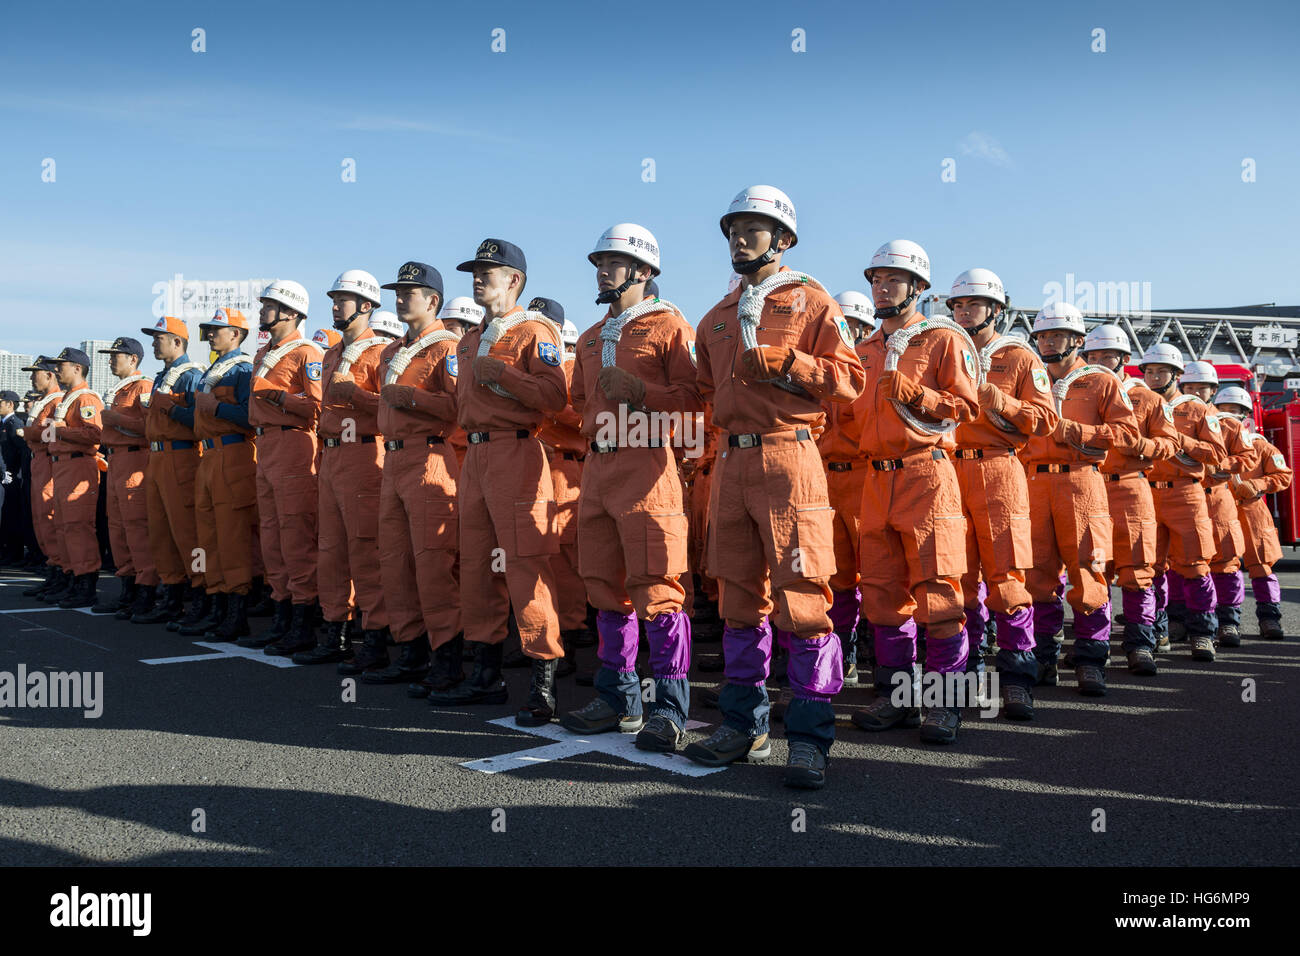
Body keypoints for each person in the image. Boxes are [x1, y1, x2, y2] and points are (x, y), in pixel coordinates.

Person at [687, 186, 864, 789]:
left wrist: (788, 362)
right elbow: (704, 391)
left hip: (790, 458)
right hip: (731, 465)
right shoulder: (714, 316)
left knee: (803, 598)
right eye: (734, 228)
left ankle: (811, 738)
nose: (739, 238)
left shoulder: (811, 300)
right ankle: (744, 725)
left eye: (753, 229)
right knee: (737, 599)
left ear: (783, 240)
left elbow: (850, 382)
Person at [560, 224, 701, 751]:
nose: (601, 270)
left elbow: (693, 404)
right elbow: (578, 401)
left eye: (612, 262)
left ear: (643, 272)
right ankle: (619, 698)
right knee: (604, 586)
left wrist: (643, 392)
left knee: (658, 586)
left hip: (646, 463)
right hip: (600, 466)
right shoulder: (594, 336)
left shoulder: (669, 325)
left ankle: (669, 706)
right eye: (599, 261)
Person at [428, 239, 568, 726]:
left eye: (489, 270)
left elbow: (554, 395)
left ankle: (544, 685)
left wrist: (504, 375)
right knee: (476, 568)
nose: (478, 277)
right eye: (475, 270)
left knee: (527, 566)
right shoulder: (468, 340)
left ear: (516, 280)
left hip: (515, 450)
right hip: (478, 456)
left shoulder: (534, 329)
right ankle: (485, 675)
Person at [849, 241, 979, 742]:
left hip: (927, 473)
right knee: (882, 593)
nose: (882, 287)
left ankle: (946, 702)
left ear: (919, 288)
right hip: (875, 479)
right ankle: (898, 697)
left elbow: (965, 409)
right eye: (876, 279)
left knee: (939, 589)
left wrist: (915, 393)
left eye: (893, 279)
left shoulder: (944, 339)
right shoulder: (863, 351)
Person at [947, 269, 1057, 719]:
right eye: (957, 305)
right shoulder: (944, 347)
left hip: (998, 468)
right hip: (948, 470)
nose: (963, 311)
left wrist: (999, 400)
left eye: (972, 304)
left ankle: (1016, 679)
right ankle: (965, 672)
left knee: (1008, 579)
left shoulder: (1019, 356)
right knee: (956, 580)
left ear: (996, 309)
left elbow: (1045, 420)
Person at [351, 262, 461, 685]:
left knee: (432, 565)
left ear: (433, 300)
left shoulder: (447, 347)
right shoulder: (391, 351)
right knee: (394, 562)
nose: (399, 298)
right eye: (397, 292)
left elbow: (457, 410)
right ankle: (411, 651)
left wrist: (412, 398)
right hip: (393, 459)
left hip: (429, 457)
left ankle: (447, 657)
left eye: (409, 292)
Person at [1021, 303, 1139, 696]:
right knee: (1036, 575)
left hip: (1081, 483)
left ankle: (1090, 659)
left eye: (1057, 335)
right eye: (1042, 336)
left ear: (1077, 340)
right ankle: (1042, 656)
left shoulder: (1101, 381)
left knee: (1088, 571)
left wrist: (1080, 433)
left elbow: (1128, 435)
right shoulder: (1028, 375)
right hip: (1033, 484)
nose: (1048, 342)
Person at [294, 271, 391, 668]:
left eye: (344, 300)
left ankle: (376, 639)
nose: (336, 305)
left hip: (363, 454)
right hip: (331, 455)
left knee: (364, 549)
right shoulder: (332, 354)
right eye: (334, 299)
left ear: (366, 306)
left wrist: (358, 396)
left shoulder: (382, 353)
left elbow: (390, 408)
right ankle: (336, 632)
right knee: (331, 550)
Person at [1081, 324, 1180, 676]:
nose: (1099, 362)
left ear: (1124, 359)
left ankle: (1141, 644)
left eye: (1107, 355)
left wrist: (1142, 447)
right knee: (1095, 570)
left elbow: (1171, 444)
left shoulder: (1148, 398)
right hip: (1089, 487)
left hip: (1131, 487)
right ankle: (1097, 647)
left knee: (1138, 570)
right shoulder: (1081, 392)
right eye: (1092, 356)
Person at [243, 280, 324, 655]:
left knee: (295, 536)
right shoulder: (266, 352)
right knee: (273, 536)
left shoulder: (308, 353)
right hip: (267, 443)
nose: (263, 311)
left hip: (293, 442)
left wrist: (275, 395)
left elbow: (316, 409)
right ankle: (282, 616)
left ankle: (302, 621)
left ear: (291, 313)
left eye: (270, 305)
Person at [1139, 345, 1228, 663]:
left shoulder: (1196, 408)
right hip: (1147, 492)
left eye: (1160, 371)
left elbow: (1217, 454)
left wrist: (1183, 441)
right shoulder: (1141, 403)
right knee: (1150, 568)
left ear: (1176, 374)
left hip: (1186, 493)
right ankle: (1157, 631)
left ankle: (1203, 634)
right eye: (1148, 371)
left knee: (1195, 566)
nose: (1153, 376)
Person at [182, 308, 257, 640]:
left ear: (236, 334)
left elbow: (249, 415)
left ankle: (235, 611)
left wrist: (218, 408)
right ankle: (214, 603)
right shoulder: (211, 370)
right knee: (206, 538)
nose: (211, 335)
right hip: (209, 455)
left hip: (232, 453)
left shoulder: (242, 370)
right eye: (208, 330)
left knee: (231, 537)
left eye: (217, 329)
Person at [529, 296, 587, 680]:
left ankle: (571, 632)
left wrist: (545, 410)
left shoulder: (567, 366)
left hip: (568, 470)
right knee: (542, 554)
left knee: (565, 556)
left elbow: (582, 416)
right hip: (543, 468)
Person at [133, 316, 205, 624]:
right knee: (161, 532)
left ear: (177, 341)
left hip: (181, 457)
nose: (153, 343)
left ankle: (201, 596)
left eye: (158, 338)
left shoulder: (192, 375)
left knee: (187, 532)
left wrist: (168, 407)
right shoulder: (163, 376)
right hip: (158, 457)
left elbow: (200, 422)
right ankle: (172, 596)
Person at [1180, 362, 1254, 651]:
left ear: (1213, 390)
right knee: (1185, 561)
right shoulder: (1173, 417)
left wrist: (1219, 464)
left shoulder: (1229, 423)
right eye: (1189, 388)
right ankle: (1183, 621)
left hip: (1217, 497)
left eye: (1201, 388)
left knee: (1225, 562)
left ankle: (1228, 621)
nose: (1195, 393)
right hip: (1185, 496)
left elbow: (1246, 458)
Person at [1215, 386, 1291, 640]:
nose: (1229, 415)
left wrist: (1257, 485)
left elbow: (1283, 476)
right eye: (1224, 410)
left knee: (1262, 568)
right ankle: (1229, 623)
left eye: (1235, 411)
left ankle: (1270, 619)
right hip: (1222, 513)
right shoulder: (1212, 447)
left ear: (1246, 414)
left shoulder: (1261, 446)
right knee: (1227, 569)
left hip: (1253, 514)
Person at [90, 337, 155, 617]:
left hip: (134, 457)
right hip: (117, 459)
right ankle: (127, 588)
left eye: (117, 355)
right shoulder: (118, 390)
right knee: (118, 528)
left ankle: (146, 589)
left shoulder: (143, 386)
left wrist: (117, 421)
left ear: (133, 359)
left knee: (137, 527)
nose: (111, 360)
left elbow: (149, 427)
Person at [45, 347, 106, 608]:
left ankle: (85, 583)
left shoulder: (86, 399)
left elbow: (94, 435)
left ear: (78, 368)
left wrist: (63, 431)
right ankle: (71, 577)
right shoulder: (68, 398)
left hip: (78, 465)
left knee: (78, 526)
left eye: (62, 365)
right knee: (64, 526)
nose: (57, 370)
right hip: (62, 466)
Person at [19, 358, 68, 601]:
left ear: (49, 376)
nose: (31, 378)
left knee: (50, 518)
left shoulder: (57, 401)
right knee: (41, 519)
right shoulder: (43, 401)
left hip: (49, 461)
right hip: (39, 460)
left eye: (35, 374)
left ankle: (60, 573)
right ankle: (53, 571)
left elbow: (51, 434)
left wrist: (29, 433)